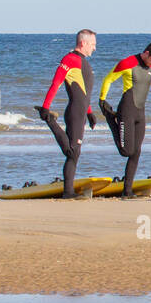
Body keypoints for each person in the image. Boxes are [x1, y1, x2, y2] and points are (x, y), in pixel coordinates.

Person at [99, 41, 151, 198]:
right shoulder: (127, 63)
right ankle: (111, 118)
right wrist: (102, 99)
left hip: (140, 113)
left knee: (136, 152)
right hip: (126, 110)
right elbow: (109, 79)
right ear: (146, 53)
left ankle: (127, 191)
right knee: (126, 151)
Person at [35, 29, 98, 198]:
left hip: (81, 112)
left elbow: (85, 92)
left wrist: (90, 112)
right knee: (72, 152)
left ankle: (67, 191)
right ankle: (50, 120)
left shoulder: (84, 62)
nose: (94, 48)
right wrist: (46, 107)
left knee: (74, 154)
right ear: (83, 43)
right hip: (75, 112)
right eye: (93, 44)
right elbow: (56, 83)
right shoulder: (69, 59)